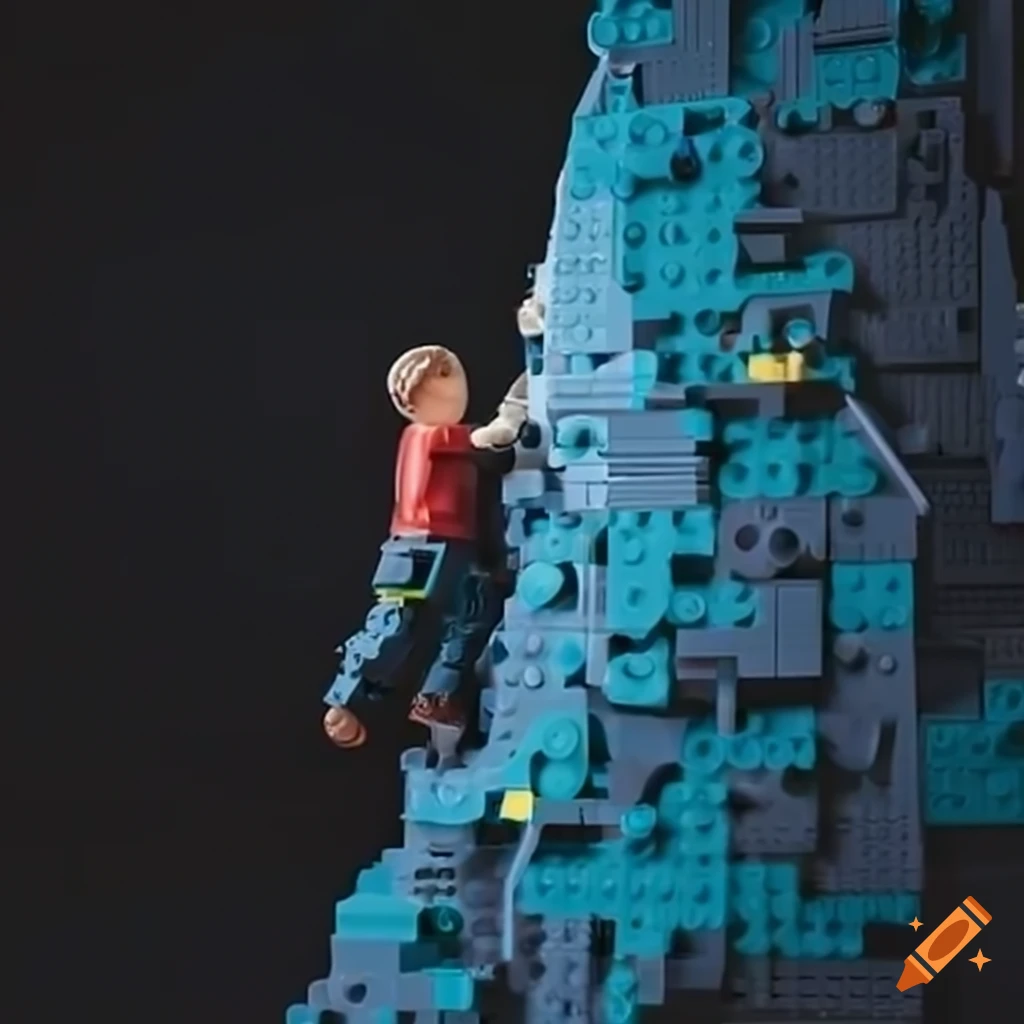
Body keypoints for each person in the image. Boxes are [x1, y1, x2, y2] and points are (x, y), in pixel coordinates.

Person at [324, 345, 521, 747]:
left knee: (474, 614)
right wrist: (513, 416)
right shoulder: (429, 435)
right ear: (412, 401)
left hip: (455, 544)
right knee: (397, 622)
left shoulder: (443, 435)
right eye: (445, 383)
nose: (456, 391)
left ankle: (436, 695)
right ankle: (345, 697)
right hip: (423, 545)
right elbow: (486, 441)